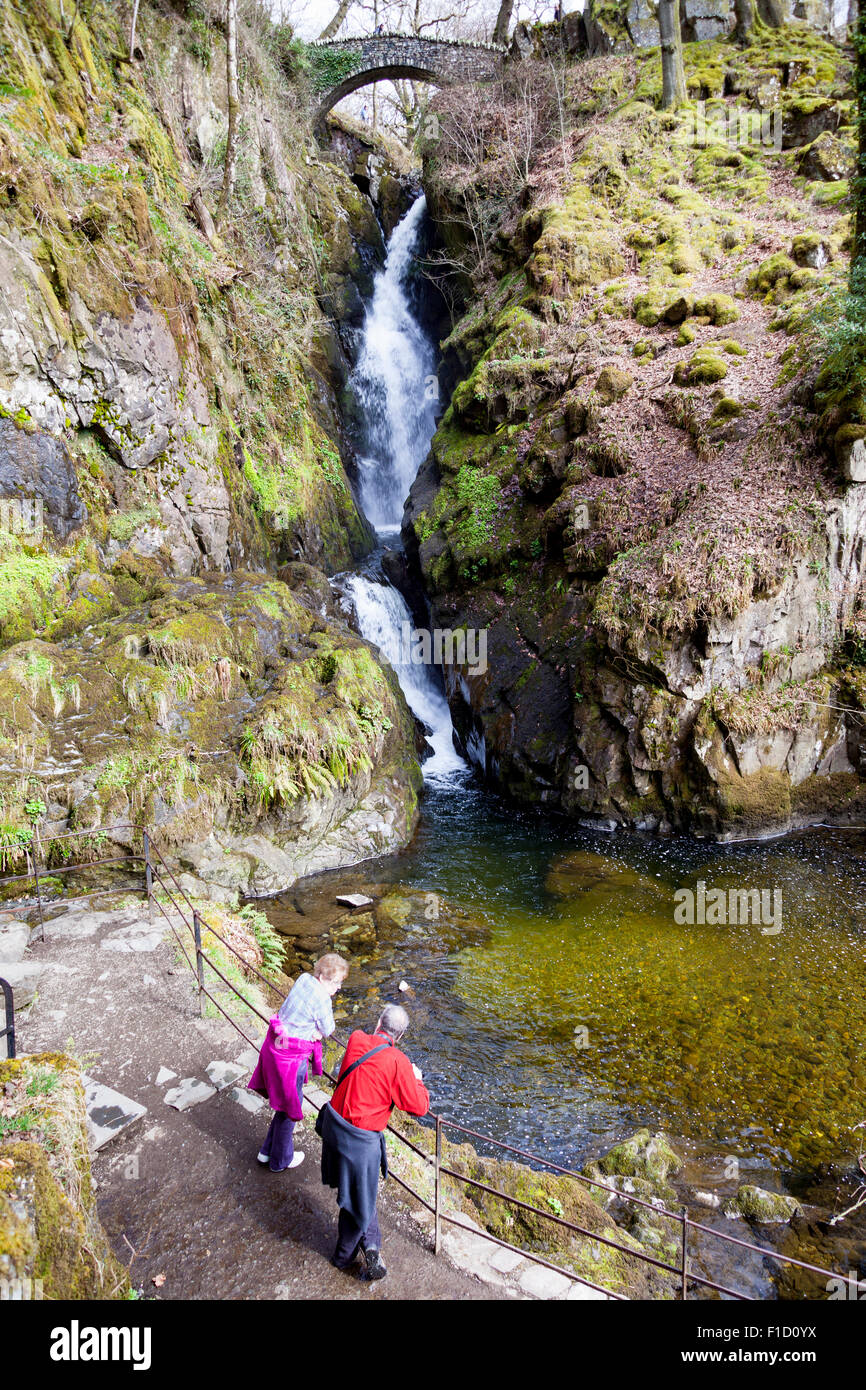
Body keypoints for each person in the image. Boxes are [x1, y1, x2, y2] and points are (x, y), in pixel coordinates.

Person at [316, 1002, 428, 1281]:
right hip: (360, 1142)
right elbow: (418, 1106)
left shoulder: (356, 1039)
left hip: (335, 1127)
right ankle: (342, 1259)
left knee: (359, 1193)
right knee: (358, 1201)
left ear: (378, 1022)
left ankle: (372, 1245)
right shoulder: (398, 1061)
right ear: (399, 1037)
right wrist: (417, 1080)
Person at [248, 953, 349, 1172]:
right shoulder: (322, 999)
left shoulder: (304, 979)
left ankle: (267, 1151)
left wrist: (313, 1029)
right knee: (289, 1108)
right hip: (291, 1058)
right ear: (323, 977)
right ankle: (280, 1160)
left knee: (284, 1104)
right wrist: (318, 1031)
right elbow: (329, 1029)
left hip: (275, 1045)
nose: (337, 988)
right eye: (336, 982)